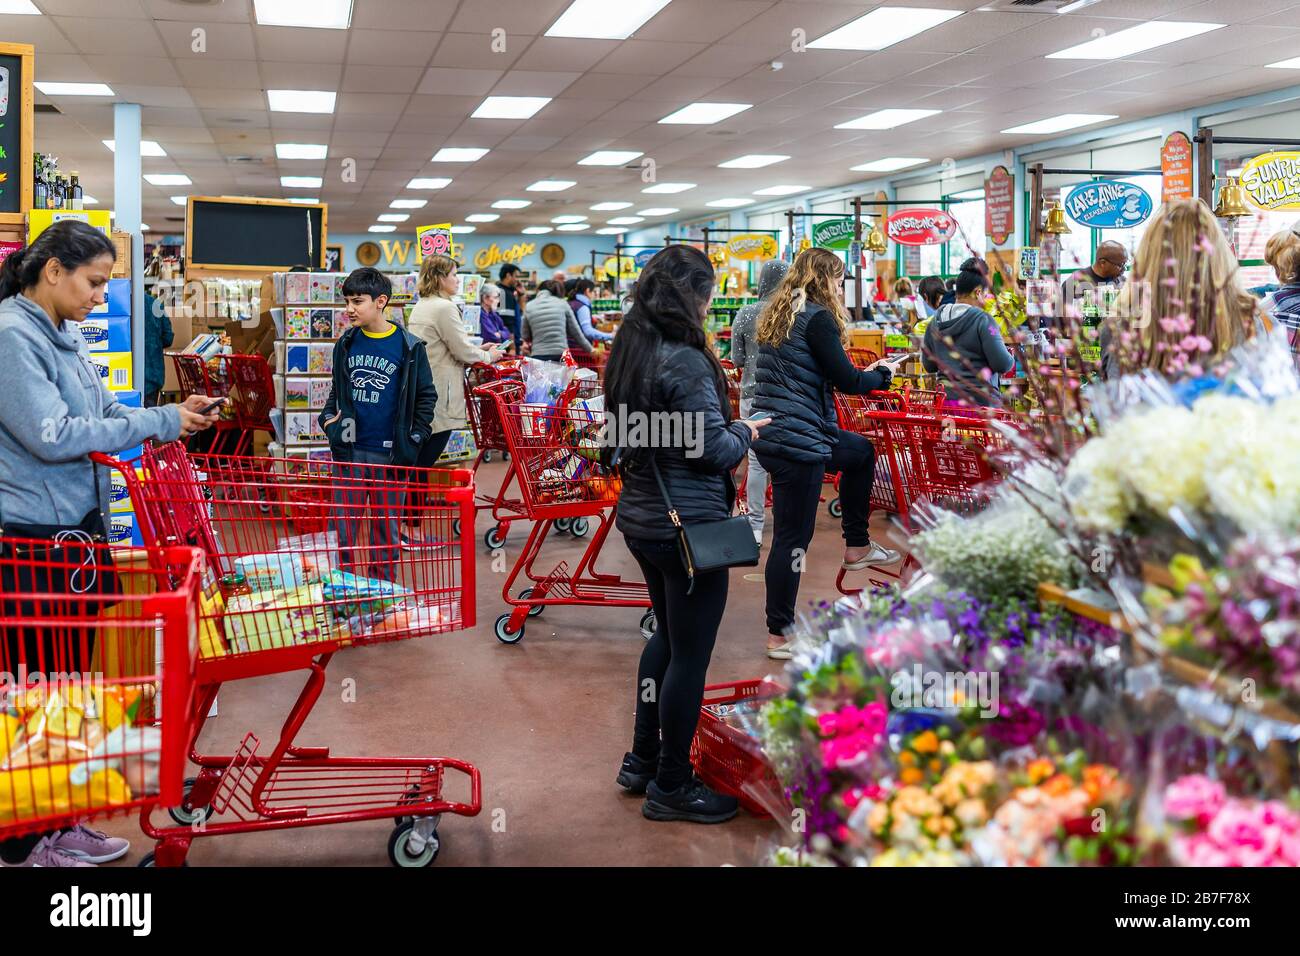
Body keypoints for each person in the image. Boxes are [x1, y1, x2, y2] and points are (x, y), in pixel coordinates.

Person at [0, 220, 220, 868]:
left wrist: (168, 413)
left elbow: (97, 407)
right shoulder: (13, 336)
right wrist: (157, 420)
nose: (102, 297)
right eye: (95, 282)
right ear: (53, 271)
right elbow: (52, 432)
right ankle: (20, 842)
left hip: (77, 535)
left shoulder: (59, 335)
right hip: (34, 543)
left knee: (67, 686)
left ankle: (59, 820)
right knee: (32, 686)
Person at [606, 244, 766, 824]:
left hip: (645, 519)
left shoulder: (630, 346)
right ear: (691, 294)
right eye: (708, 293)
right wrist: (745, 428)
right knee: (690, 655)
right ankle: (672, 784)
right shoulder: (686, 358)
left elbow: (626, 434)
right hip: (690, 528)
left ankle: (642, 759)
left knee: (668, 640)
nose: (710, 304)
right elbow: (711, 450)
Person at [751, 247, 903, 660]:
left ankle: (857, 545)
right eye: (837, 278)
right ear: (823, 279)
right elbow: (849, 379)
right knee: (792, 540)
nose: (841, 285)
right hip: (798, 442)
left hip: (778, 432)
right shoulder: (816, 318)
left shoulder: (781, 313)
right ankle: (779, 634)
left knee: (859, 451)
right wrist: (884, 375)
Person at [319, 267, 436, 576]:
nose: (349, 309)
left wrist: (415, 438)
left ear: (381, 301)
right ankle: (339, 589)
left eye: (357, 301)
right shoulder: (346, 343)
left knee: (386, 533)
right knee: (340, 532)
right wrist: (328, 421)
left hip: (391, 453)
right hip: (350, 450)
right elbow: (337, 389)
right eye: (346, 301)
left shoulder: (409, 347)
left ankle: (380, 593)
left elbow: (426, 396)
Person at [404, 256, 504, 543]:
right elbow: (462, 351)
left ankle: (408, 526)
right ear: (439, 277)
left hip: (423, 391)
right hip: (440, 395)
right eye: (453, 274)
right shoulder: (445, 307)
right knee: (422, 463)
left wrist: (474, 346)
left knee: (417, 462)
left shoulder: (424, 305)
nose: (457, 279)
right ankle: (410, 529)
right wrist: (488, 355)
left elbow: (445, 344)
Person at [1101, 199, 1259, 380]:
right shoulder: (1253, 322)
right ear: (1220, 257)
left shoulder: (1121, 328)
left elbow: (1115, 400)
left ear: (1148, 258)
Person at [728, 258, 788, 544]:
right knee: (789, 460)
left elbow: (737, 359)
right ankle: (787, 523)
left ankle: (755, 526)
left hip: (752, 397)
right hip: (788, 398)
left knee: (756, 462)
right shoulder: (790, 313)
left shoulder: (745, 313)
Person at [921, 259, 1014, 407]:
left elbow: (929, 365)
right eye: (985, 294)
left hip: (947, 405)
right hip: (981, 407)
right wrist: (1010, 356)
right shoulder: (983, 320)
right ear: (978, 292)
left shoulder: (935, 321)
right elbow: (1002, 364)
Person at [523, 279, 591, 362]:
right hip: (561, 354)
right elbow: (576, 332)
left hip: (538, 355)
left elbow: (525, 335)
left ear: (539, 290)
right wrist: (590, 350)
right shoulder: (563, 304)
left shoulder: (529, 305)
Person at [1061, 240, 1127, 315]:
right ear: (1103, 263)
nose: (1124, 269)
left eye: (1125, 264)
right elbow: (1061, 315)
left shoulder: (1122, 281)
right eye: (1120, 265)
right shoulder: (1075, 282)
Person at [142, 288, 173, 407]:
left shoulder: (121, 303)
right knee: (151, 418)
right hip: (152, 375)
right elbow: (168, 338)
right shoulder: (155, 305)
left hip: (122, 373)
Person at [569, 277, 612, 346]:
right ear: (588, 291)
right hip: (578, 348)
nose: (595, 295)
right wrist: (611, 336)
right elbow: (588, 332)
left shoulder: (571, 302)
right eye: (594, 292)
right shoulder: (582, 307)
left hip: (570, 347)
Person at [498, 263, 527, 350]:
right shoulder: (502, 293)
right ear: (508, 275)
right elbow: (506, 323)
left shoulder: (509, 292)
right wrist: (512, 348)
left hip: (512, 342)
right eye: (516, 276)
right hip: (506, 345)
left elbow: (521, 313)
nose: (517, 280)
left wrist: (521, 295)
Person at [476, 282, 513, 346]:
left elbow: (507, 333)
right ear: (485, 299)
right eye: (496, 297)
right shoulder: (480, 314)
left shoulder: (494, 314)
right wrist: (501, 335)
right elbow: (491, 338)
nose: (498, 301)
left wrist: (500, 334)